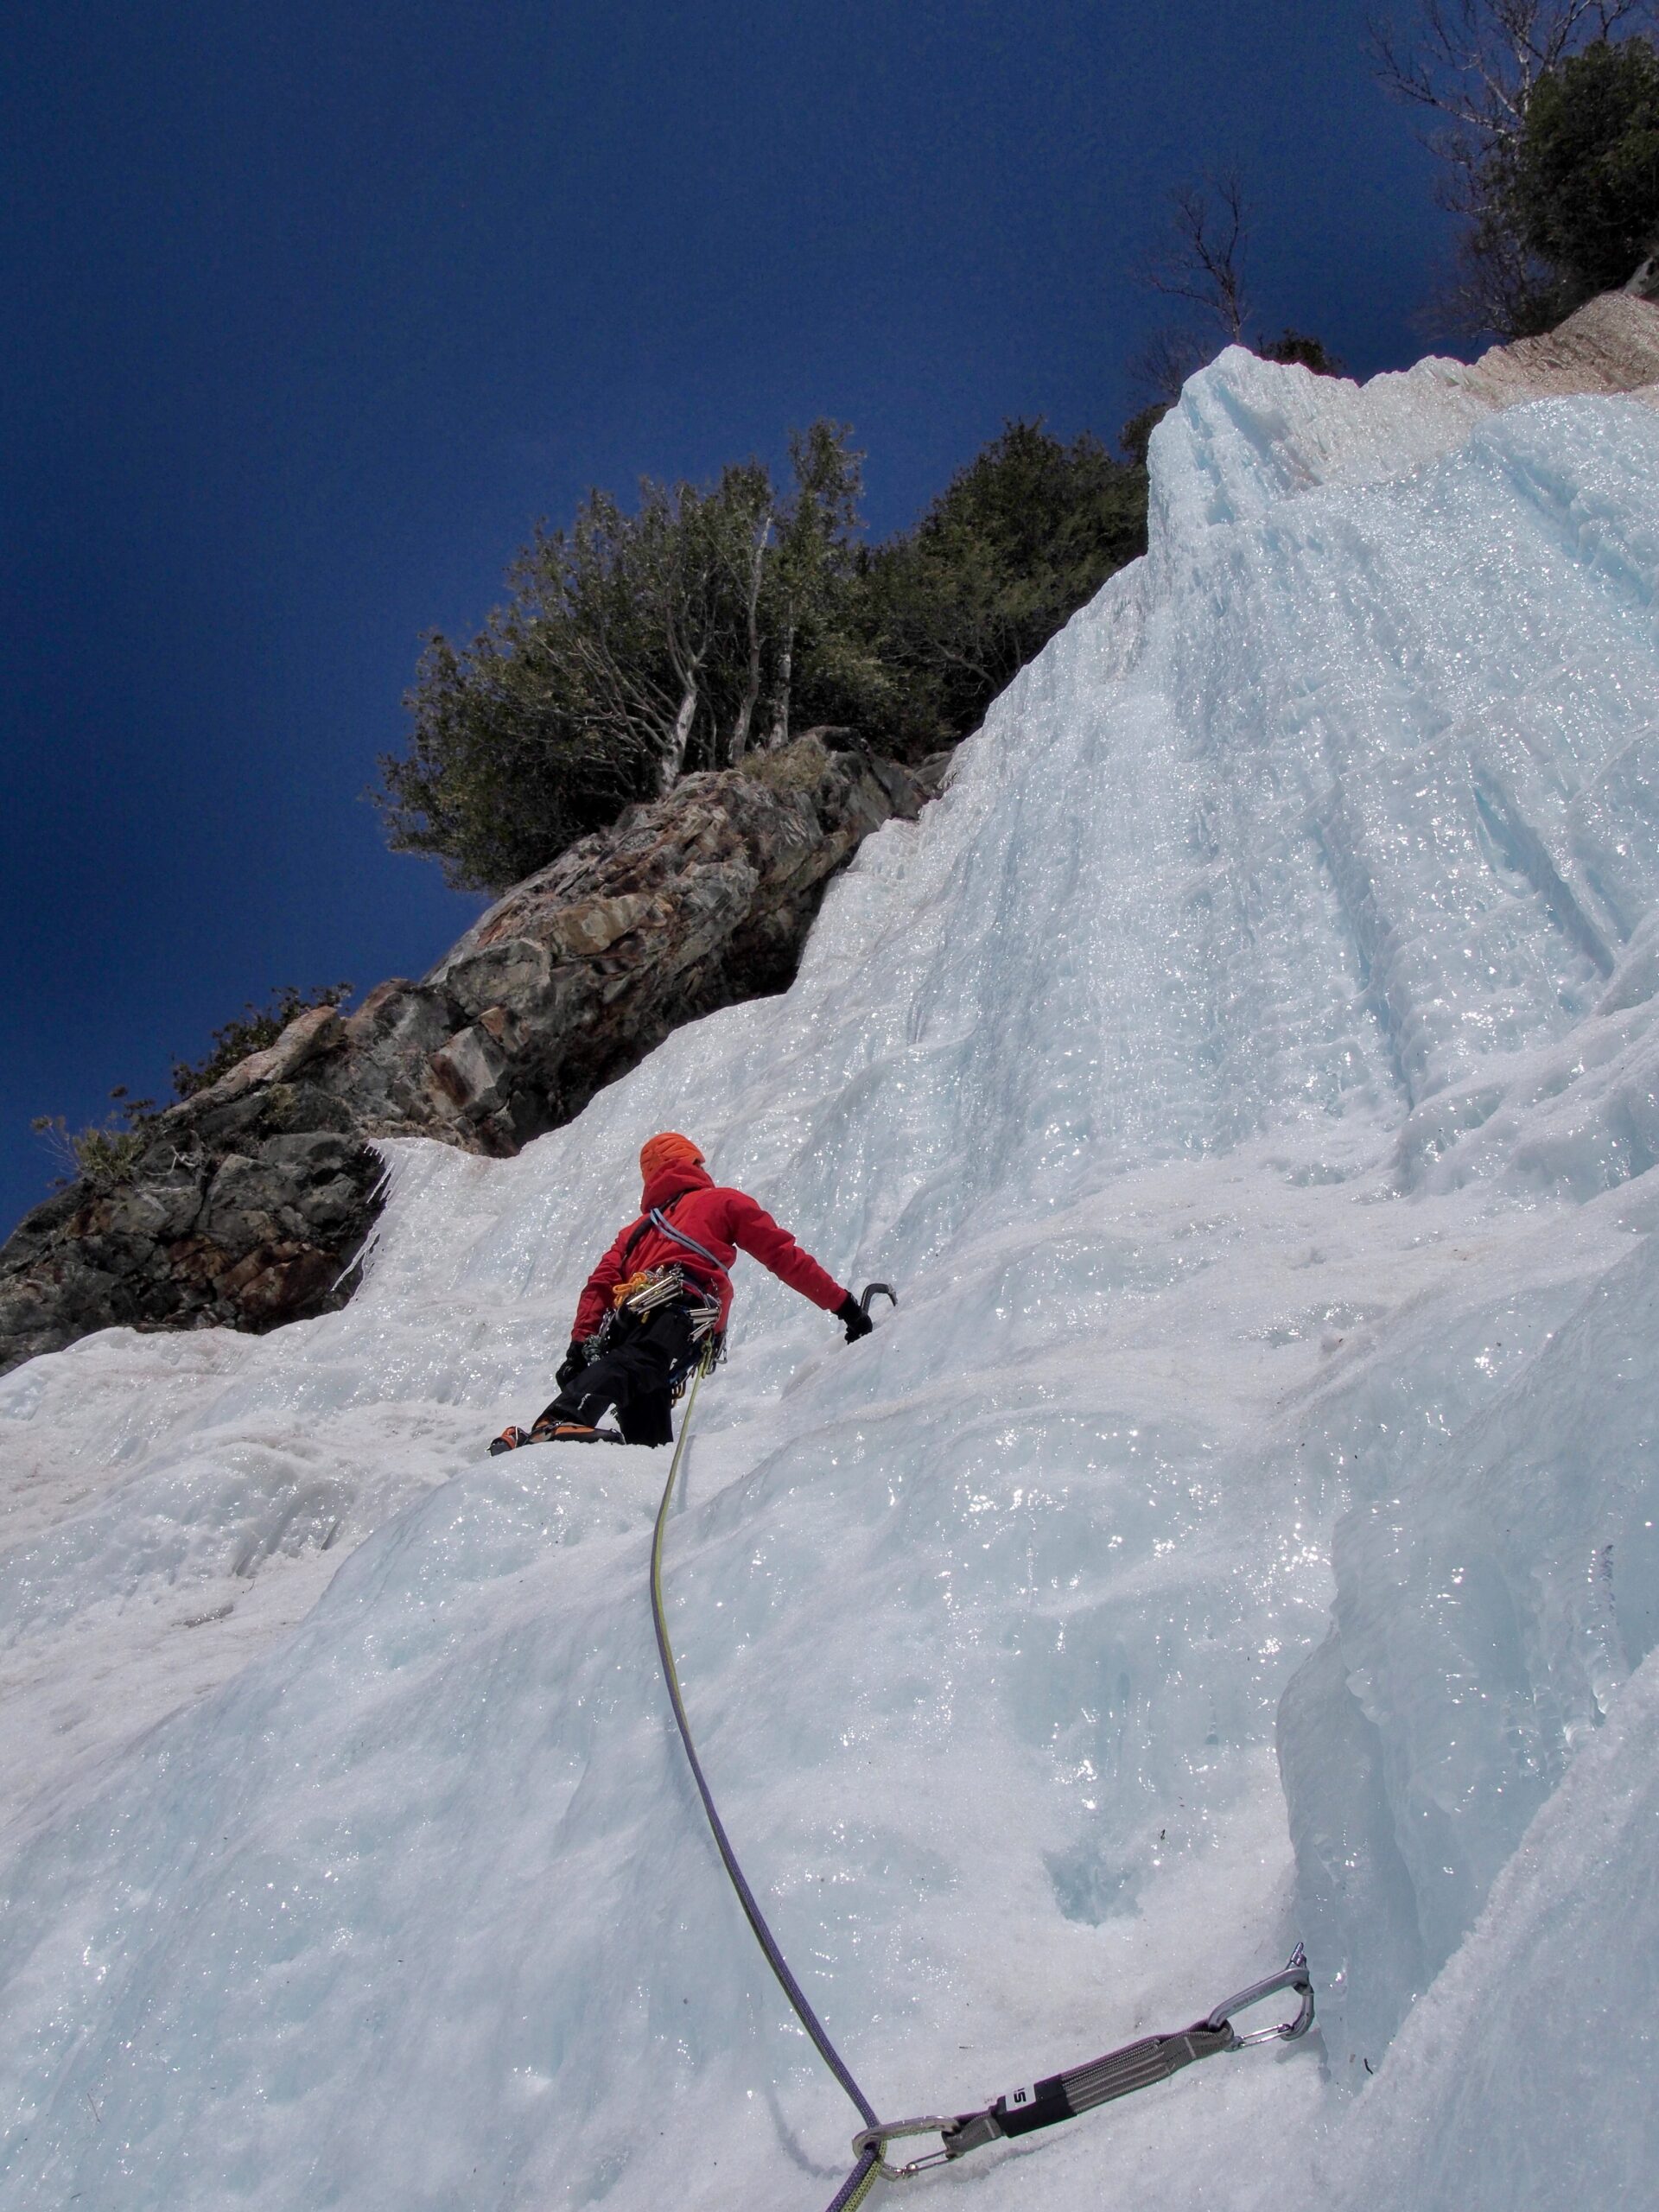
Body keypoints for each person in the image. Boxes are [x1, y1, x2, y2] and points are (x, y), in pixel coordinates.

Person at [490, 1131, 874, 1452]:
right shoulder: (721, 1201)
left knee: (648, 1434)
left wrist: (580, 1345)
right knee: (641, 1363)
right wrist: (845, 1307)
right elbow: (784, 1257)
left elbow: (600, 1286)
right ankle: (558, 1421)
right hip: (678, 1313)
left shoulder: (632, 1233)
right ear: (692, 1164)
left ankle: (635, 1476)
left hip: (630, 1322)